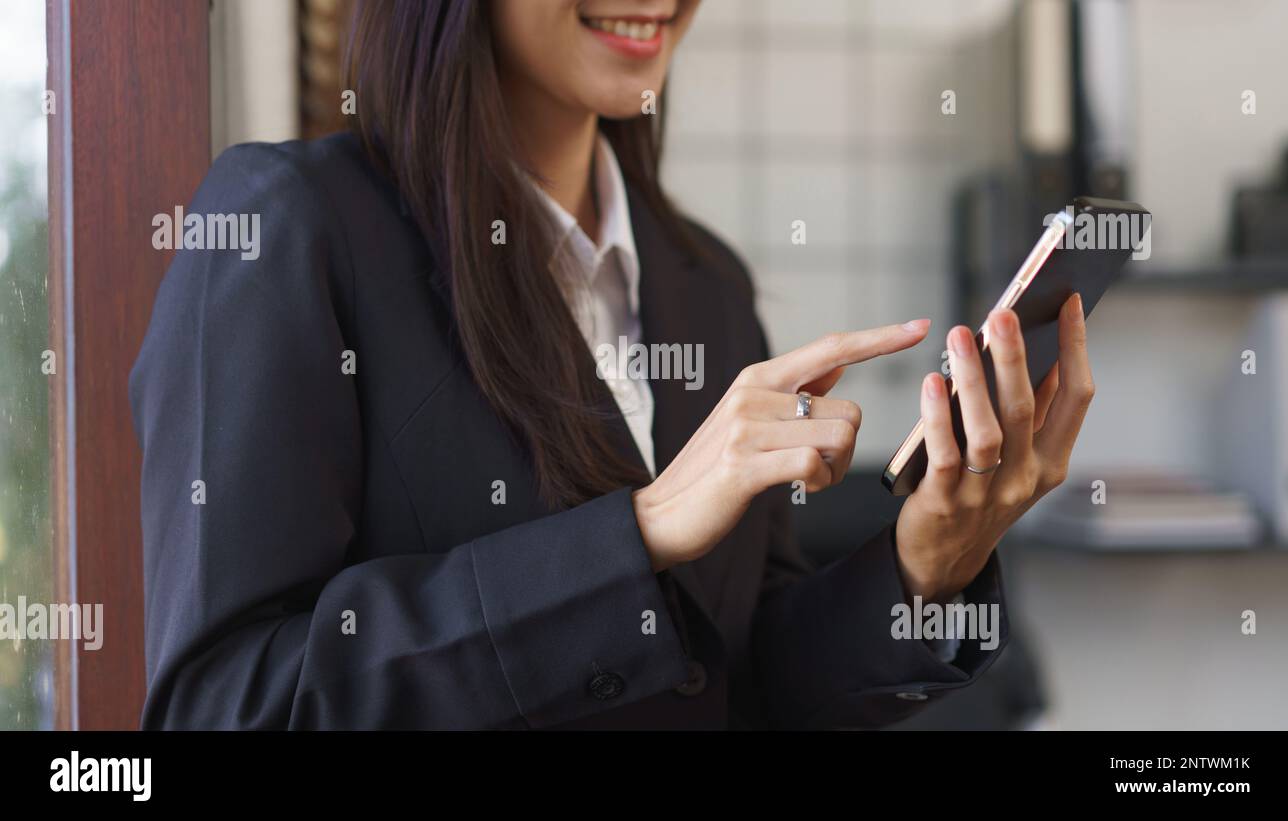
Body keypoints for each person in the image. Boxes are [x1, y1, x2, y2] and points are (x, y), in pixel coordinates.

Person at [130, 0, 1094, 729]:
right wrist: (638, 533)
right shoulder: (285, 230)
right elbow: (221, 706)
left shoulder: (705, 282)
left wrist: (926, 564)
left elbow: (744, 685)